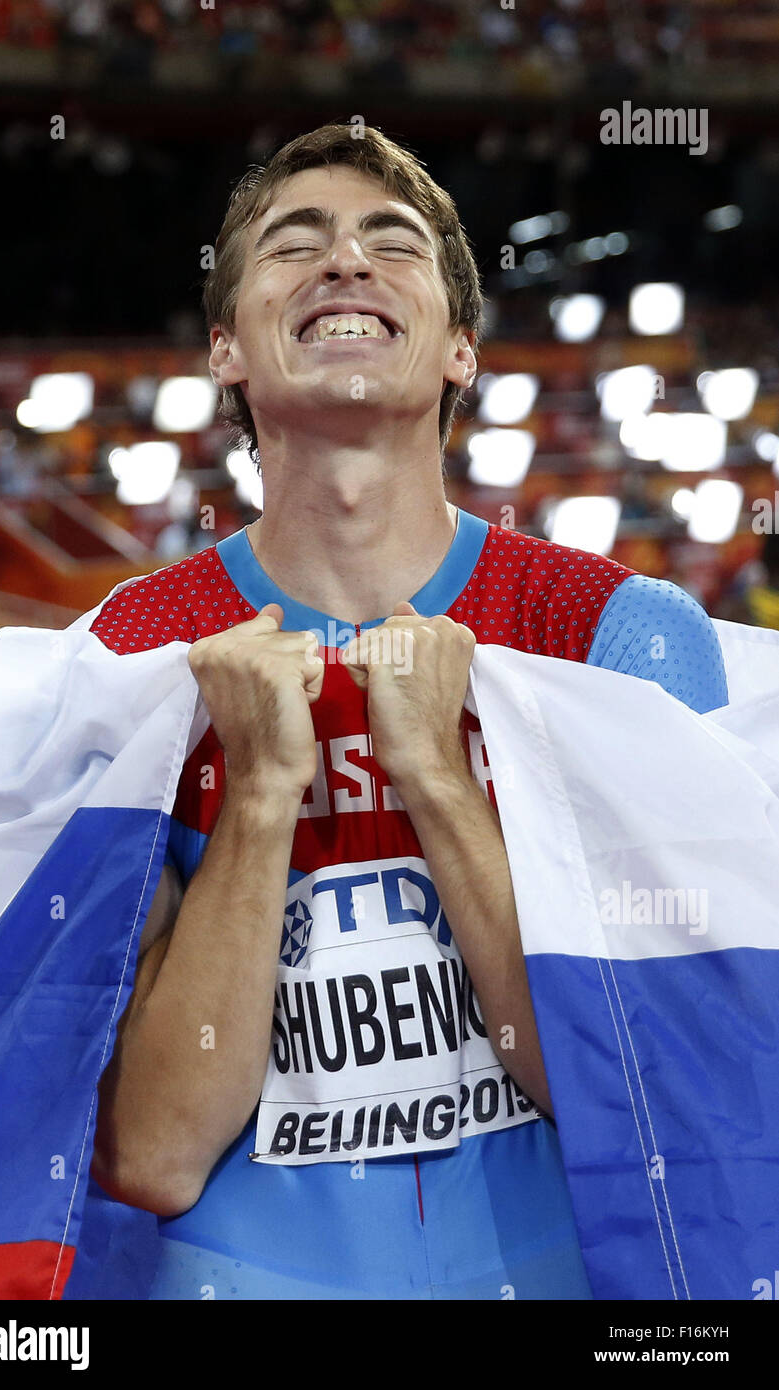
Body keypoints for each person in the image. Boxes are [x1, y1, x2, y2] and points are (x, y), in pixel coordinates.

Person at [85, 123, 728, 1300]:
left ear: (461, 350)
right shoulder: (123, 663)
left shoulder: (622, 639)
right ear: (226, 348)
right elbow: (156, 1151)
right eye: (296, 243)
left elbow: (664, 1107)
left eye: (393, 244)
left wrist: (435, 776)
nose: (345, 262)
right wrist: (262, 795)